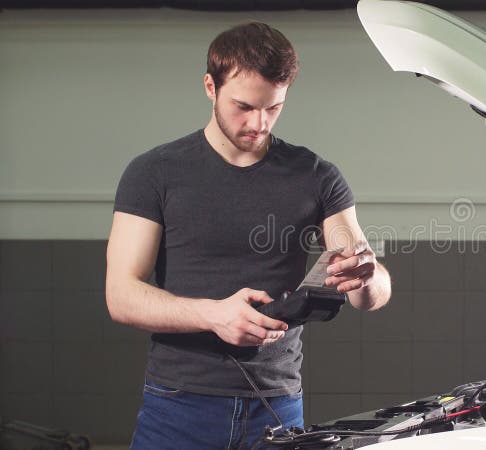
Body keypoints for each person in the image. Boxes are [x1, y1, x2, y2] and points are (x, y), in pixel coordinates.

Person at [105, 22, 391, 449]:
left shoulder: (317, 176)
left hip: (277, 406)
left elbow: (369, 290)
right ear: (209, 86)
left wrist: (366, 277)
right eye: (244, 106)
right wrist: (213, 315)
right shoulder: (154, 173)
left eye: (273, 108)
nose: (258, 123)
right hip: (178, 405)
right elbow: (121, 295)